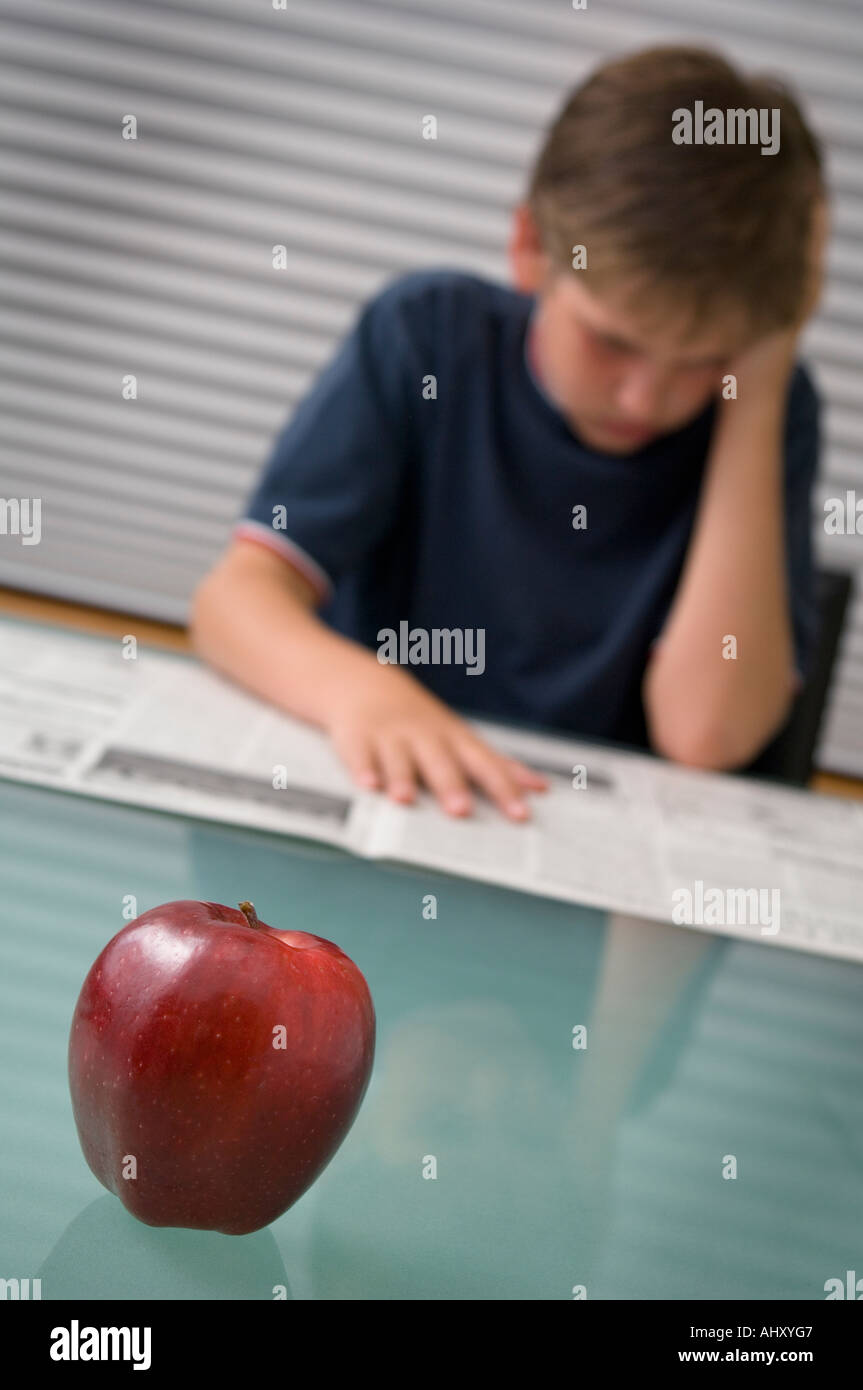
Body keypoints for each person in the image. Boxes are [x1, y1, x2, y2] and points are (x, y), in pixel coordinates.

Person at [190, 46, 828, 823]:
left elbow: (705, 735)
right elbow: (233, 601)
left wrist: (755, 391)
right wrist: (363, 693)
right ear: (529, 247)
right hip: (377, 797)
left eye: (703, 360)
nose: (645, 396)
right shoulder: (426, 334)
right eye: (612, 342)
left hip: (570, 840)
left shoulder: (763, 406)